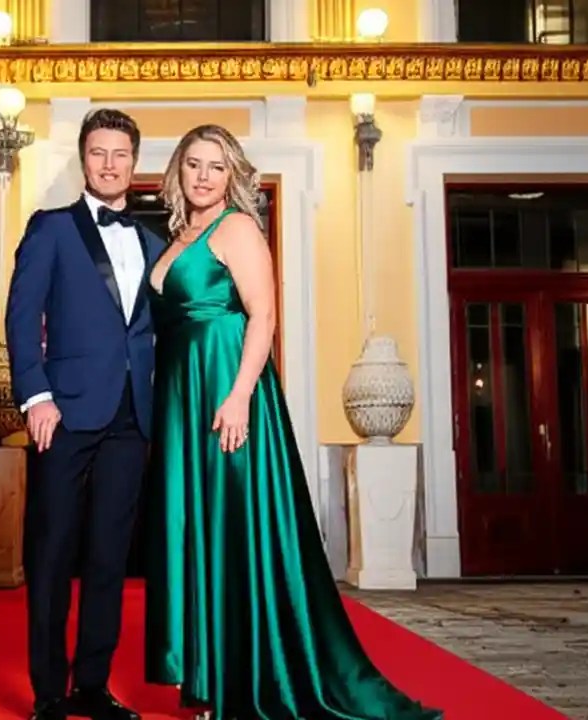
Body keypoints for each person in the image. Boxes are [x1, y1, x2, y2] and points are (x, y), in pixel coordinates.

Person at [143, 124, 443, 720]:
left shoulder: (237, 228)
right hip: (182, 398)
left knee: (234, 533)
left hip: (226, 395)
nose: (204, 176)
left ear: (232, 175)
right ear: (178, 170)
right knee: (198, 530)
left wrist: (239, 396)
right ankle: (209, 683)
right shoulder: (178, 238)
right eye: (194, 164)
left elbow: (263, 316)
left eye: (217, 166)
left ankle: (248, 683)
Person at [5, 108, 165, 720]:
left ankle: (91, 686)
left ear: (134, 162)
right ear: (83, 159)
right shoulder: (51, 228)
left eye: (120, 154)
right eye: (98, 152)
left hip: (131, 418)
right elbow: (22, 317)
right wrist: (36, 397)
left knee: (109, 557)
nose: (109, 164)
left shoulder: (153, 246)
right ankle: (49, 694)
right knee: (51, 553)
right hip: (64, 413)